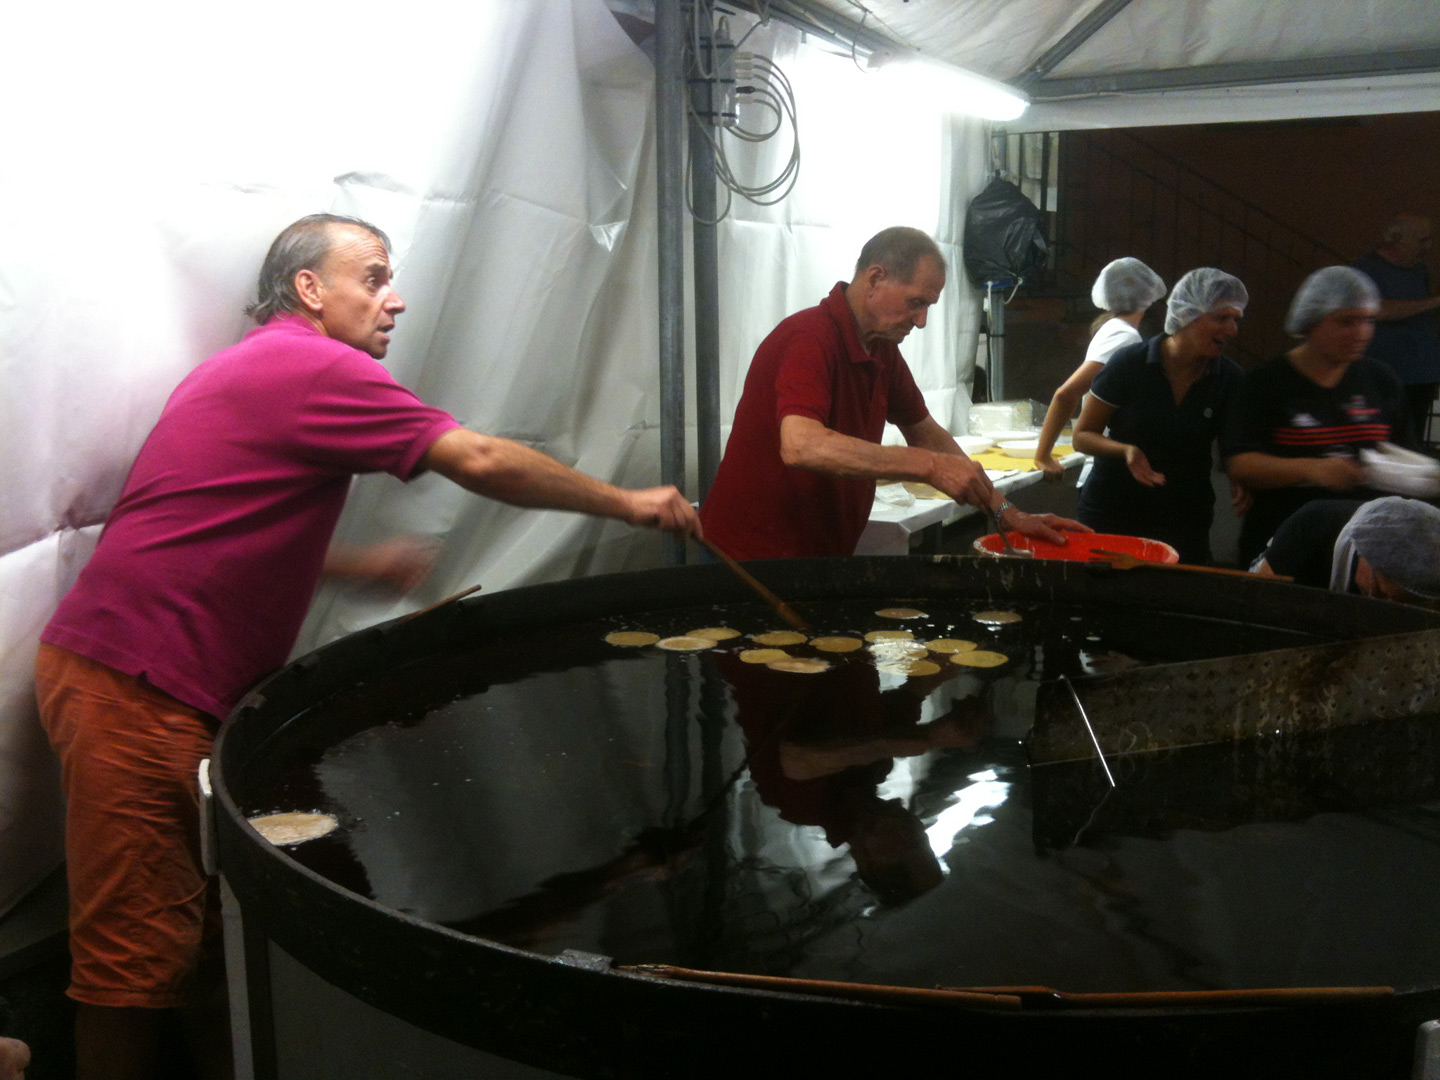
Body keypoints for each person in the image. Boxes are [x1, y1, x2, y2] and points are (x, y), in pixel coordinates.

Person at [33, 213, 700, 1080]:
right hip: (134, 686)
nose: (398, 299)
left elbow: (199, 518)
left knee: (194, 942)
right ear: (310, 289)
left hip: (127, 673)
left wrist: (350, 561)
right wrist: (631, 504)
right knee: (132, 961)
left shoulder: (252, 365)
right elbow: (484, 459)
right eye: (375, 277)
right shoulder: (314, 364)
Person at [698, 226, 1084, 560]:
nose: (921, 321)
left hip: (816, 552)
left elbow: (926, 432)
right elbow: (801, 445)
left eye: (929, 306)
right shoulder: (810, 338)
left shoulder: (881, 348)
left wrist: (1008, 514)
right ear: (875, 278)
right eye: (915, 303)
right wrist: (927, 466)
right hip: (749, 557)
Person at [1224, 266, 1411, 566]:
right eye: (1346, 322)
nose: (1361, 333)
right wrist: (1313, 469)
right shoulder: (1265, 384)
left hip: (1361, 553)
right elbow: (1240, 464)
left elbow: (1404, 451)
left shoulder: (1381, 381)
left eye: (1368, 320)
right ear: (1310, 322)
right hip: (1280, 546)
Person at [1070, 268, 1248, 564]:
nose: (1232, 330)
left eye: (1236, 320)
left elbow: (1232, 442)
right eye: (1221, 318)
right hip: (1114, 509)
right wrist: (1126, 450)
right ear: (1188, 314)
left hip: (1183, 516)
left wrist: (1239, 471)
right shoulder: (1131, 363)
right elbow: (1082, 436)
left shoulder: (1228, 378)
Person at [1033, 258, 1166, 478]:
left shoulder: (1115, 328)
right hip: (1108, 468)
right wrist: (1043, 455)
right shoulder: (1123, 335)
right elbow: (1067, 393)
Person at [1255, 496, 1440, 604]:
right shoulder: (1310, 528)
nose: (1379, 603)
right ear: (1364, 551)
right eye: (1379, 591)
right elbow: (1258, 598)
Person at [1352, 214, 1440, 440]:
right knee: (1381, 440)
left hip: (1421, 375)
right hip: (1384, 373)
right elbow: (1376, 310)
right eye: (1421, 240)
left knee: (1411, 439)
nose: (1428, 247)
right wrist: (1434, 302)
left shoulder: (1419, 271)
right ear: (1396, 240)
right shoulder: (1365, 269)